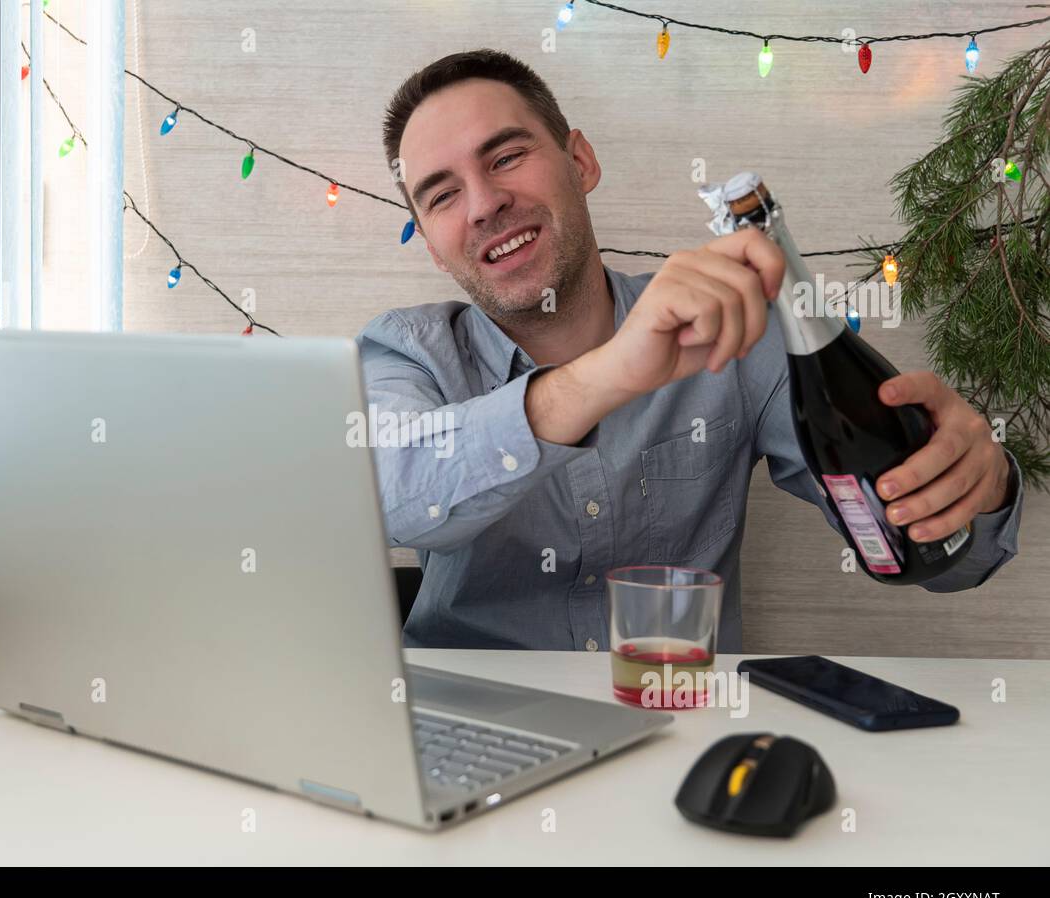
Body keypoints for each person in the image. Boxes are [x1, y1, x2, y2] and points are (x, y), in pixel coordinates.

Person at [356, 49, 1024, 653]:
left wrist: (971, 491)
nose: (483, 204)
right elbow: (386, 500)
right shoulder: (402, 352)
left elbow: (927, 552)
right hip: (467, 741)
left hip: (676, 725)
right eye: (443, 195)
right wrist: (610, 375)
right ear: (434, 245)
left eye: (506, 157)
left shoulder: (739, 332)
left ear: (579, 161)